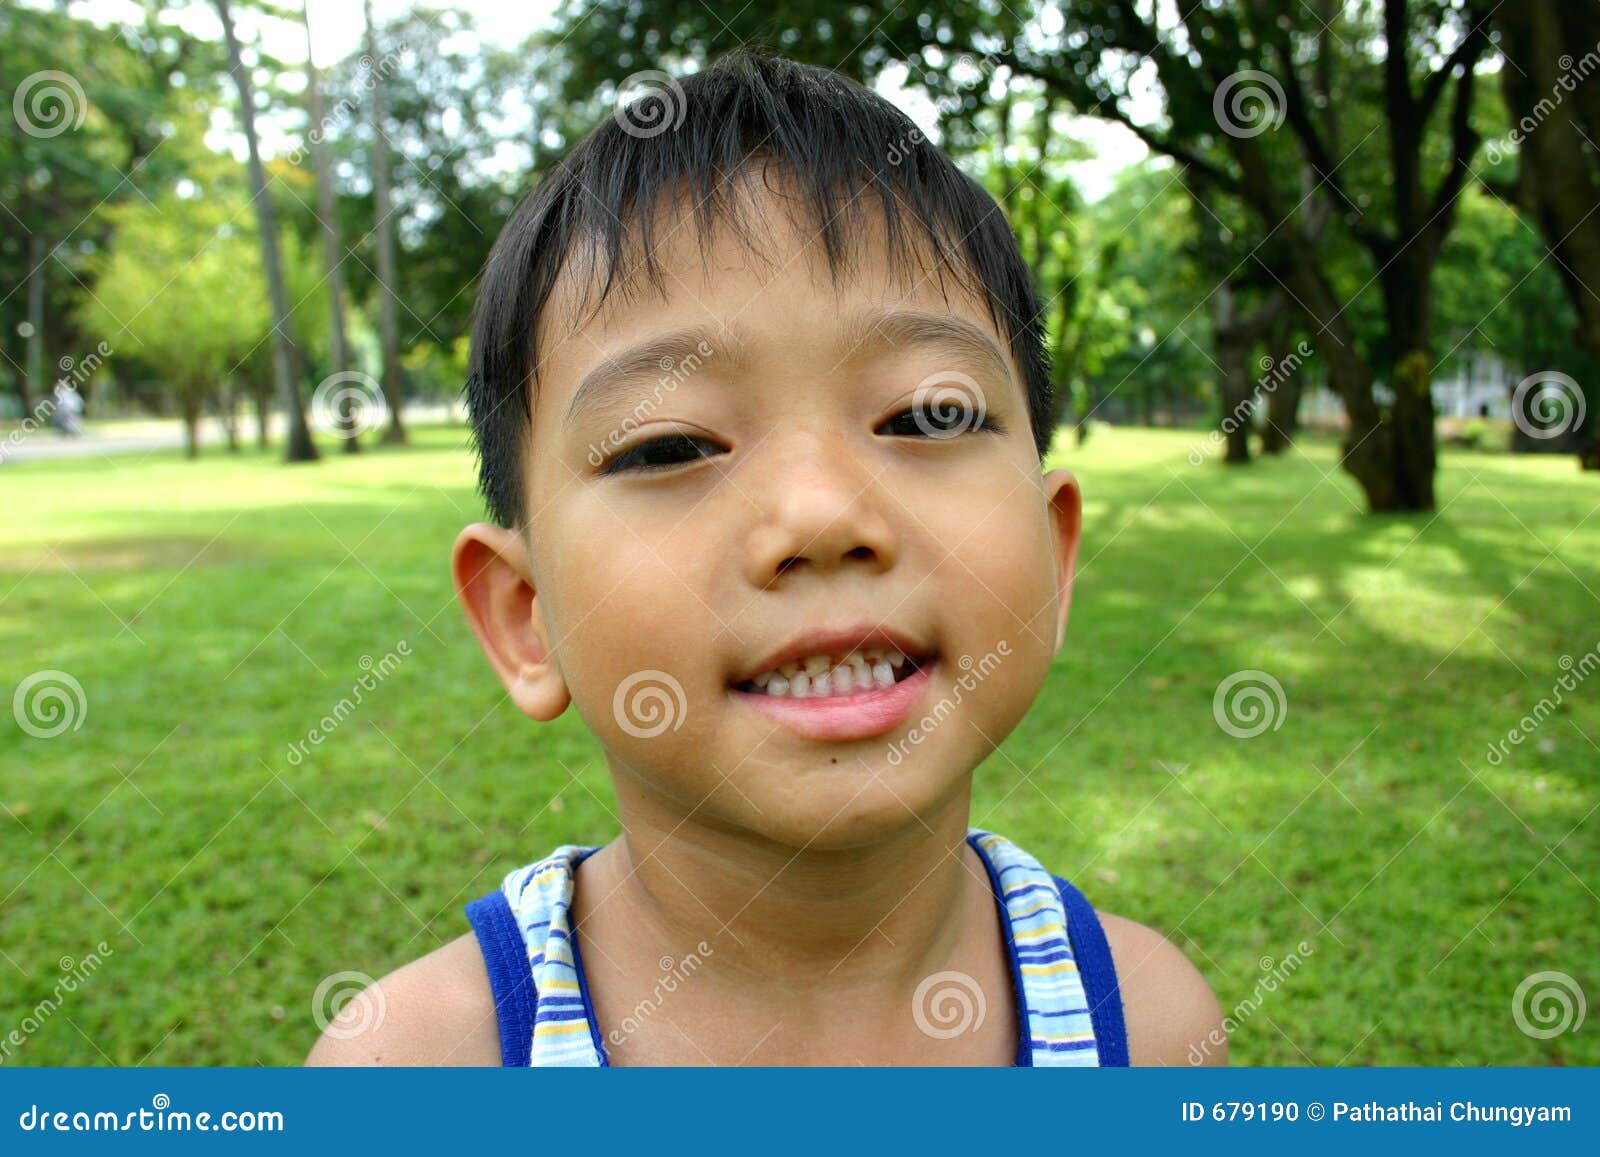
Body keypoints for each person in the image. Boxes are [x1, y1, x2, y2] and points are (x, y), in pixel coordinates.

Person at [307, 48, 1225, 1067]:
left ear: (1053, 562)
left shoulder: (1147, 1025)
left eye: (927, 413)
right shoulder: (425, 1067)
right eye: (668, 445)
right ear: (525, 615)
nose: (823, 513)